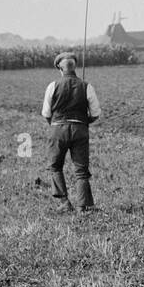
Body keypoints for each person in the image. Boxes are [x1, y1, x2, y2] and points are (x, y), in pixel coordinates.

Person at [41, 52, 102, 212]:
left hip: (57, 130)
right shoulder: (86, 86)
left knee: (55, 166)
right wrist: (83, 123)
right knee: (81, 169)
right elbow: (95, 114)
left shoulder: (52, 86)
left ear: (59, 68)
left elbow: (46, 113)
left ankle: (64, 203)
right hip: (80, 130)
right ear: (74, 67)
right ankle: (84, 207)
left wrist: (54, 125)